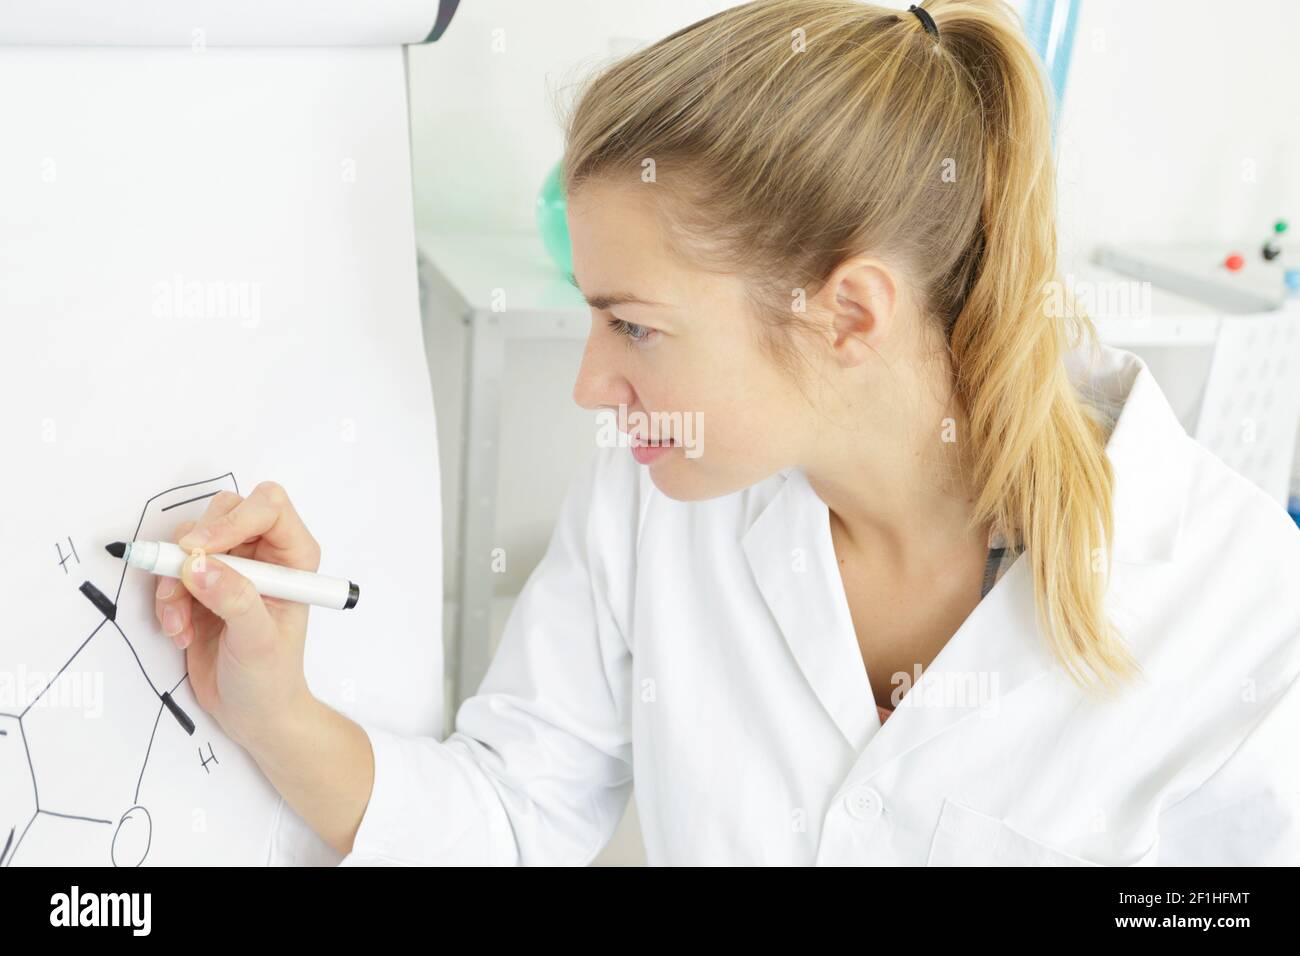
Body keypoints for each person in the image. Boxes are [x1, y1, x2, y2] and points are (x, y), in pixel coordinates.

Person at [154, 0, 1300, 865]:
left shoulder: (1240, 616)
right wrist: (274, 709)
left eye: (635, 327)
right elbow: (511, 816)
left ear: (848, 313)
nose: (592, 385)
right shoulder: (660, 493)